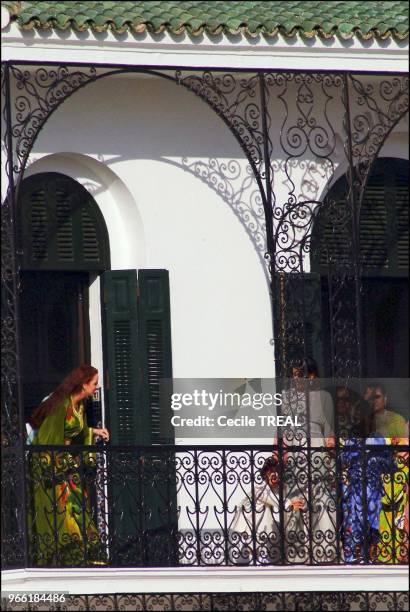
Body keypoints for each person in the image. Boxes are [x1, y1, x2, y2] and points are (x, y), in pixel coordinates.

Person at [27, 365, 109, 566]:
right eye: (94, 383)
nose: (97, 388)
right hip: (54, 471)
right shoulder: (61, 405)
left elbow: (75, 431)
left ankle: (86, 559)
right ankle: (69, 559)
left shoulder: (79, 406)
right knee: (64, 516)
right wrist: (58, 464)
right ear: (84, 384)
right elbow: (46, 441)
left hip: (68, 469)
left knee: (79, 511)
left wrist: (94, 432)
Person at [281, 357, 337, 563]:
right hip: (294, 456)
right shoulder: (286, 397)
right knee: (295, 502)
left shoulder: (323, 397)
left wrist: (331, 452)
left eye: (301, 375)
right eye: (295, 375)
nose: (297, 379)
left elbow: (329, 433)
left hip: (316, 454)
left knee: (319, 501)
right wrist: (279, 454)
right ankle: (296, 555)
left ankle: (324, 551)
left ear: (312, 376)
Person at [364, 384, 409, 564]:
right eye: (371, 397)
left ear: (386, 398)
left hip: (396, 473)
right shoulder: (365, 421)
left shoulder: (397, 420)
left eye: (378, 396)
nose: (374, 401)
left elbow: (403, 448)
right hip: (374, 476)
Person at [231, 455, 304, 564]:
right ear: (265, 474)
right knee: (255, 549)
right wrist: (290, 504)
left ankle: (261, 562)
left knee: (262, 547)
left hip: (260, 527)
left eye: (277, 473)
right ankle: (257, 565)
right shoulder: (259, 487)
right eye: (271, 473)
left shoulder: (271, 488)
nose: (275, 476)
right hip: (250, 525)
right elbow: (271, 499)